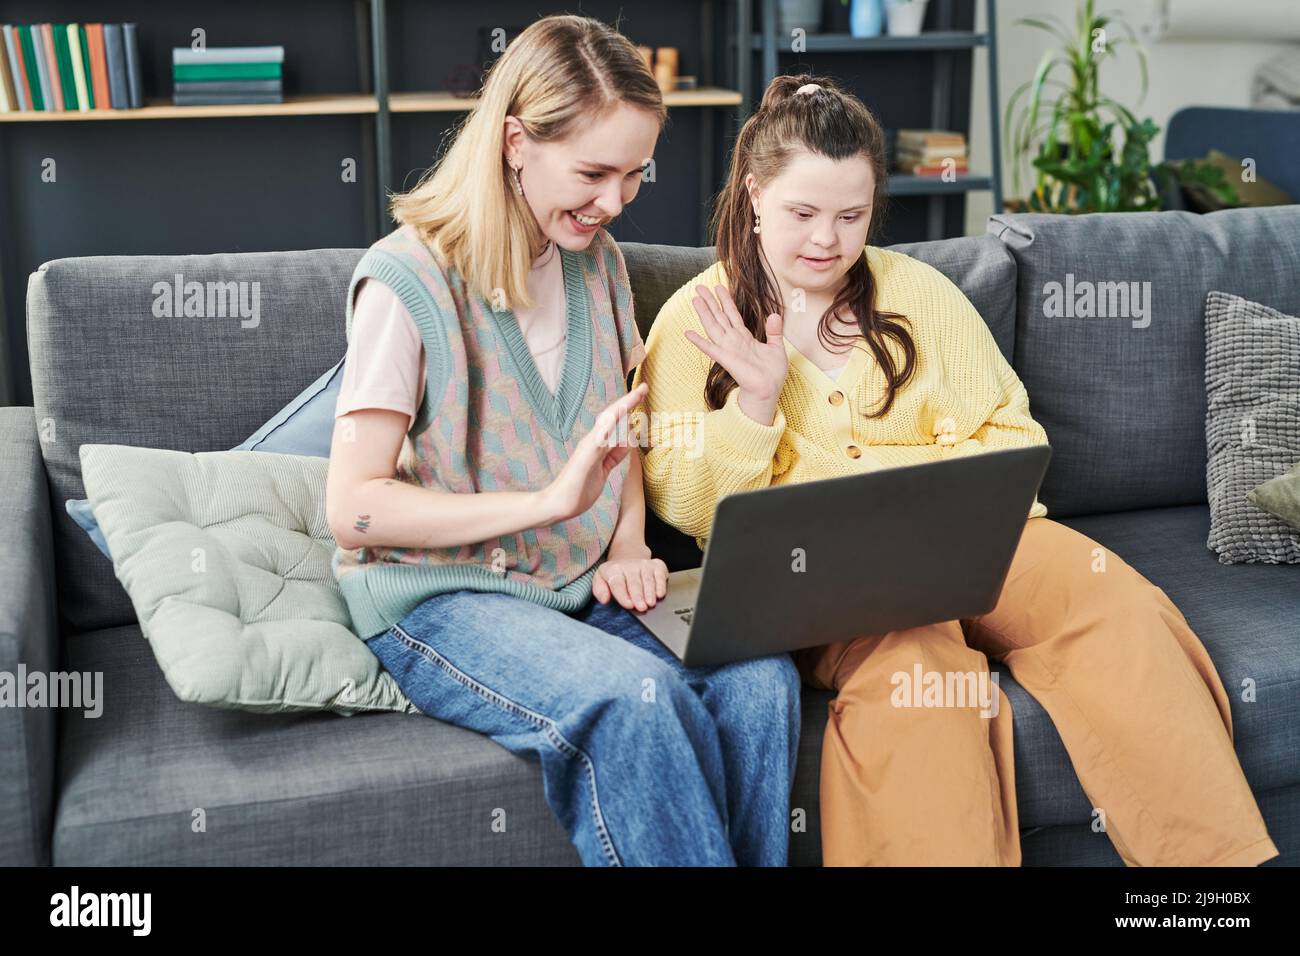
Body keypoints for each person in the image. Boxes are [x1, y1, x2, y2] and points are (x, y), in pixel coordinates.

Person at [633, 73, 1280, 867]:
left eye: (852, 216)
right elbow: (691, 506)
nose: (827, 241)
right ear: (755, 193)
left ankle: (1210, 889)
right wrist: (756, 408)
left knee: (1115, 605)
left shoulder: (920, 294)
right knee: (920, 677)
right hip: (823, 576)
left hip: (979, 542)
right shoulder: (694, 321)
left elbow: (1009, 431)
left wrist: (934, 500)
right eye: (803, 213)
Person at [324, 15, 802, 867]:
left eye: (633, 174)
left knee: (761, 680)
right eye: (592, 172)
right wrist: (549, 503)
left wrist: (624, 540)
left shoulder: (596, 263)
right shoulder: (406, 284)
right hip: (444, 596)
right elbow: (353, 510)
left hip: (577, 580)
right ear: (516, 142)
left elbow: (623, 425)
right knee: (641, 700)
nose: (614, 201)